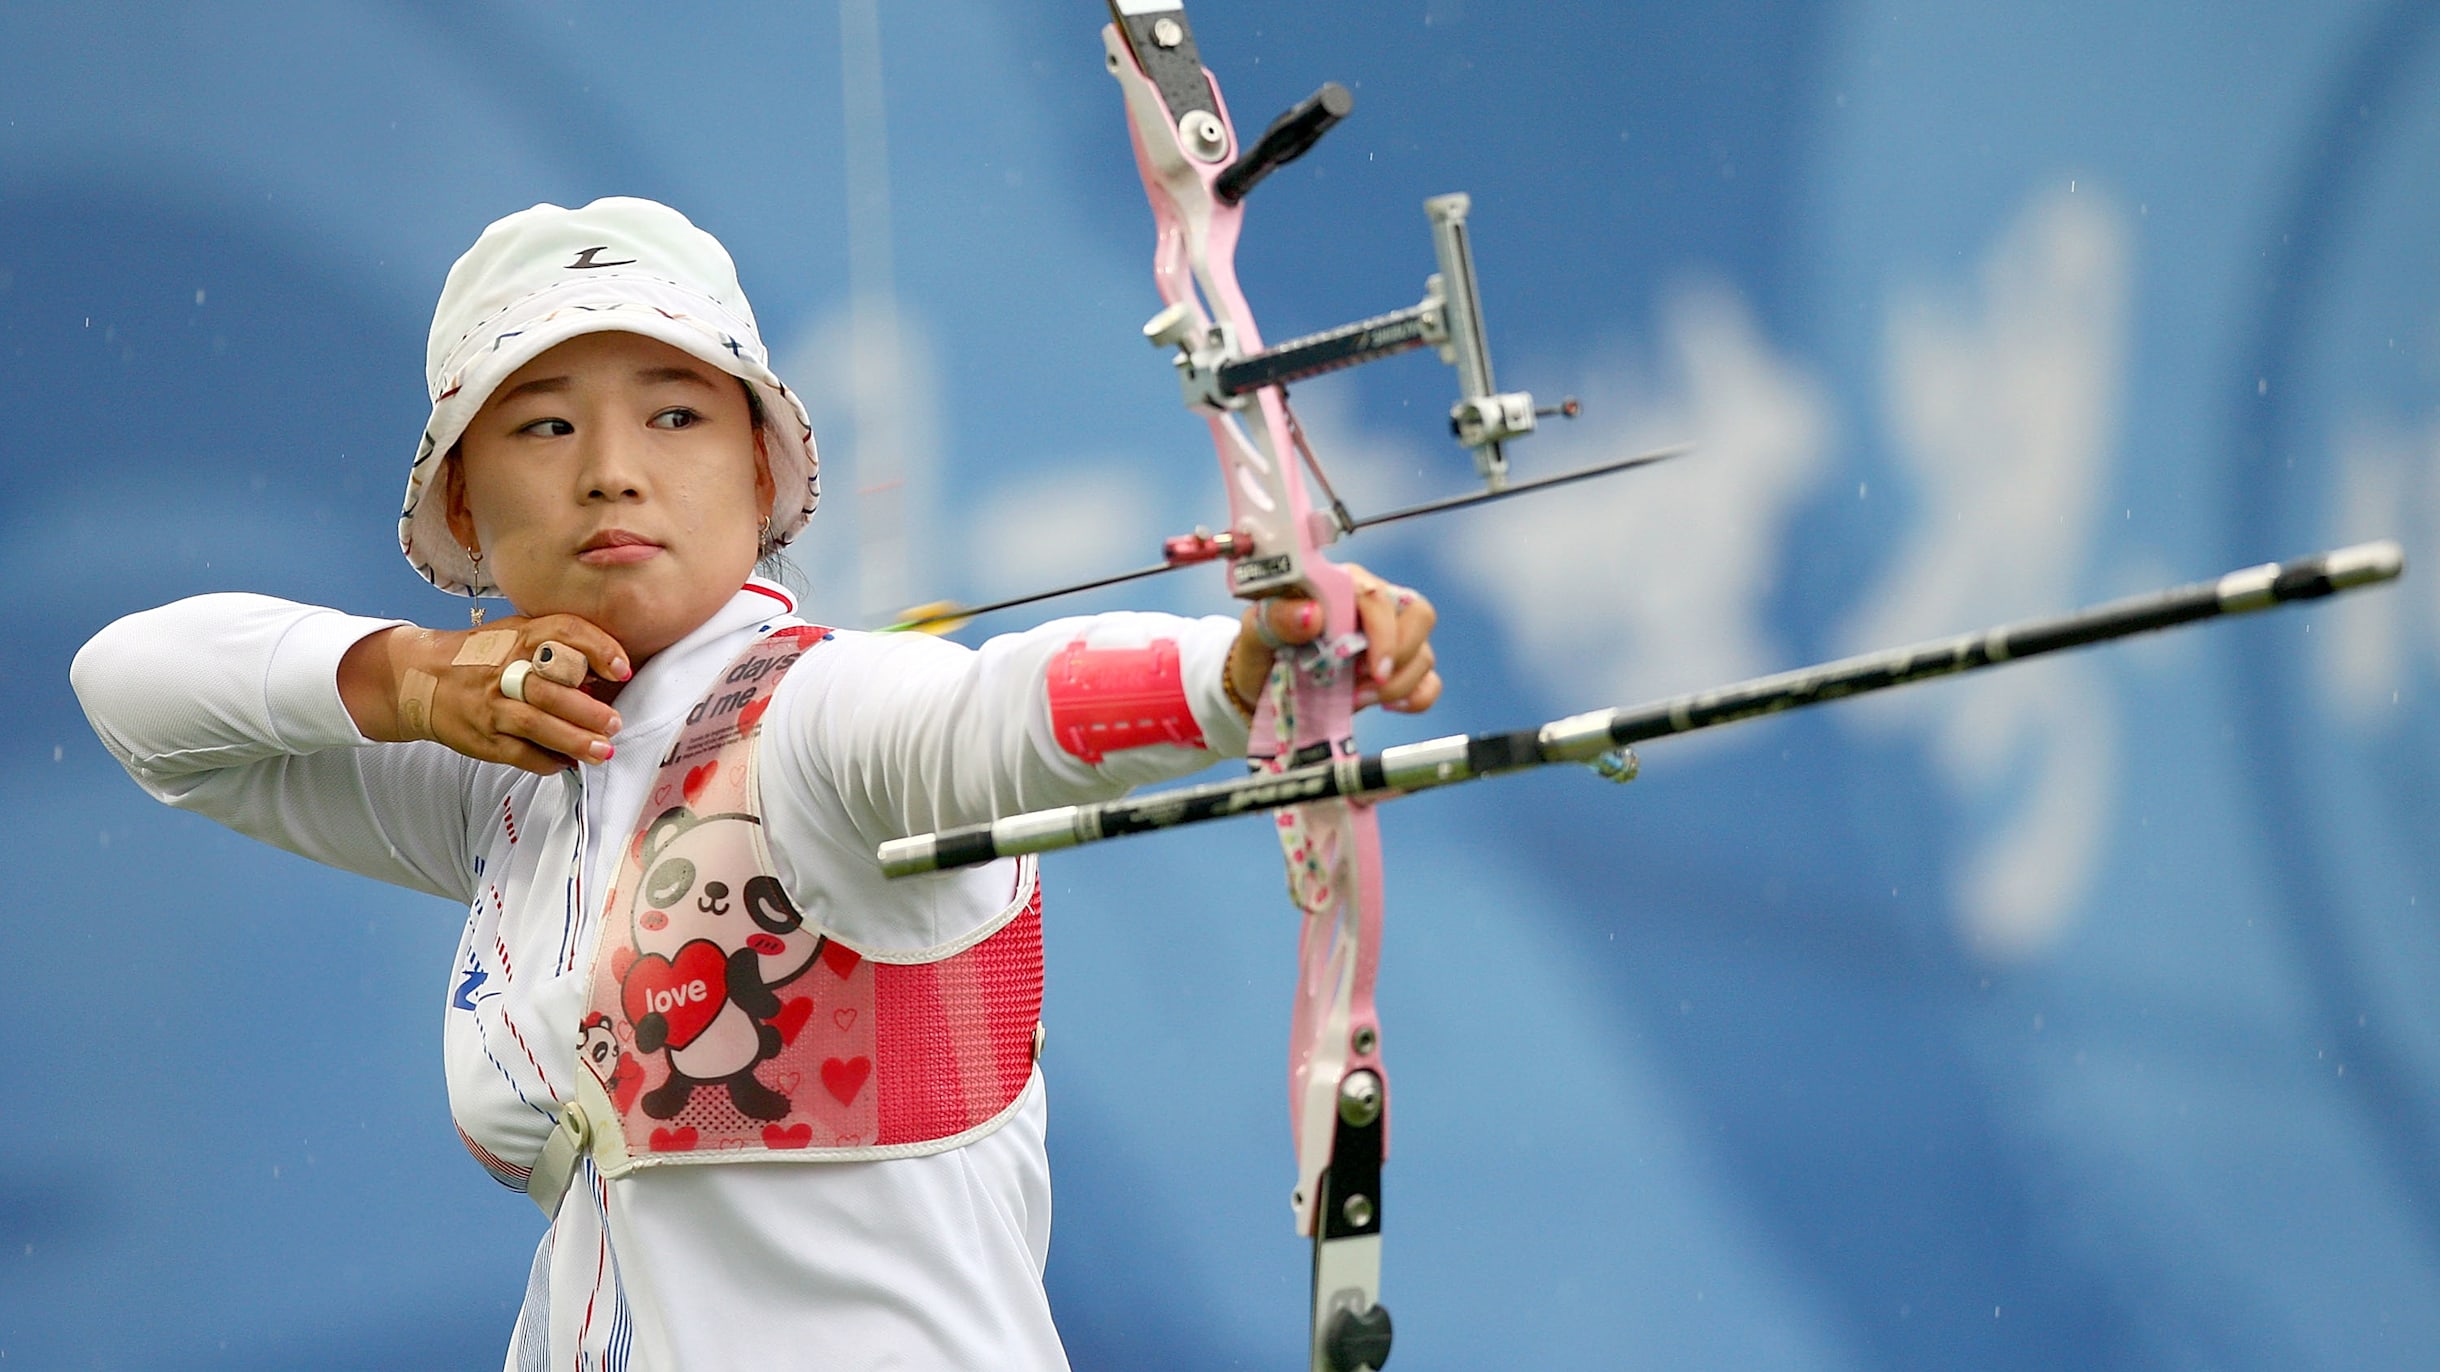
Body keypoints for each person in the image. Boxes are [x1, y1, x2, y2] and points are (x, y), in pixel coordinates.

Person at [70, 196, 1440, 1370]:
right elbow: (137, 692)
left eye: (675, 414)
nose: (613, 471)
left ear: (758, 467)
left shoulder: (822, 720)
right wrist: (416, 676)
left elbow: (991, 712)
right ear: (469, 503)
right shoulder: (509, 784)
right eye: (543, 428)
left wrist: (1247, 666)